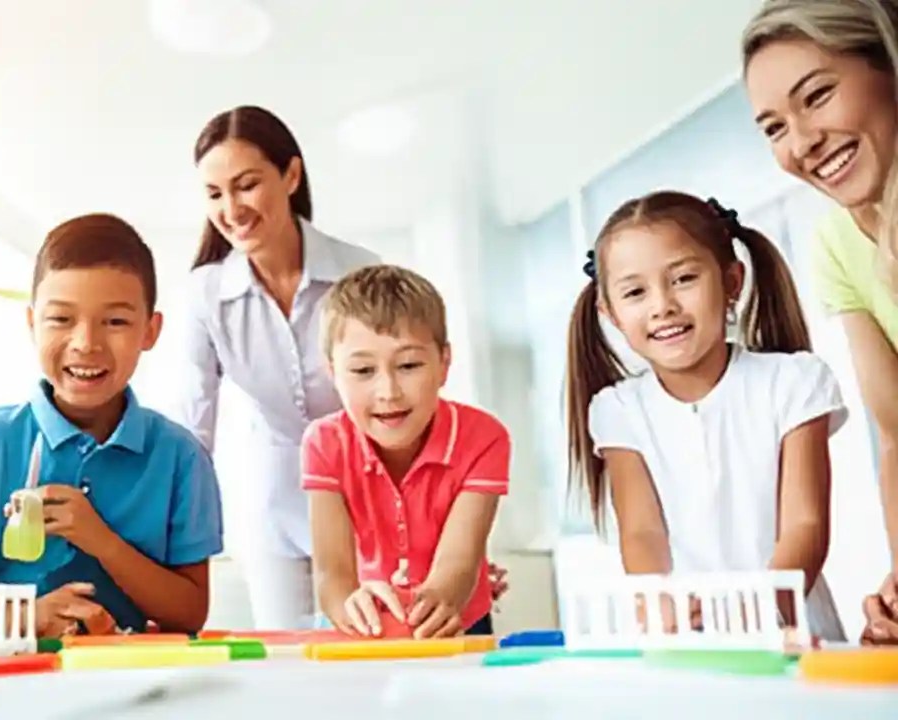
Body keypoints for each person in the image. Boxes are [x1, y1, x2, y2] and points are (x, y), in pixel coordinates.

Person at [0, 213, 224, 634]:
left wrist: (100, 540)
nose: (86, 343)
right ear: (32, 323)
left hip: (125, 673)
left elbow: (189, 612)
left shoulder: (179, 456)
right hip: (2, 672)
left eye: (115, 322)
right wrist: (13, 613)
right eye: (61, 319)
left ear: (150, 331)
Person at [564, 191, 847, 641]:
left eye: (683, 278)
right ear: (611, 314)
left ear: (732, 281)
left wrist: (756, 611)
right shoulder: (618, 411)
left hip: (792, 632)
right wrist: (659, 603)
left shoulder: (794, 381)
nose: (662, 306)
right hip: (689, 638)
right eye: (635, 292)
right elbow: (642, 533)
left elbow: (805, 524)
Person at [180, 104, 382, 630]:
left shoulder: (360, 273)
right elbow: (192, 425)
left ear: (291, 175)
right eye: (214, 193)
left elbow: (404, 398)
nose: (231, 208)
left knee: (375, 648)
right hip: (274, 501)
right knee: (285, 656)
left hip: (368, 492)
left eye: (246, 185)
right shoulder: (207, 294)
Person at [742, 0, 898, 644]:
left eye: (819, 95)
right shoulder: (837, 242)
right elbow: (894, 435)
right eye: (775, 127)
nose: (802, 142)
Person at [303, 265, 508, 639]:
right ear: (333, 373)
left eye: (409, 365)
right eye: (363, 370)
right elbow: (332, 571)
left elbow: (458, 563)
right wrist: (348, 605)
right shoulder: (324, 442)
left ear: (444, 364)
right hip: (364, 619)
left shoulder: (483, 438)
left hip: (458, 618)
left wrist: (438, 601)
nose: (388, 391)